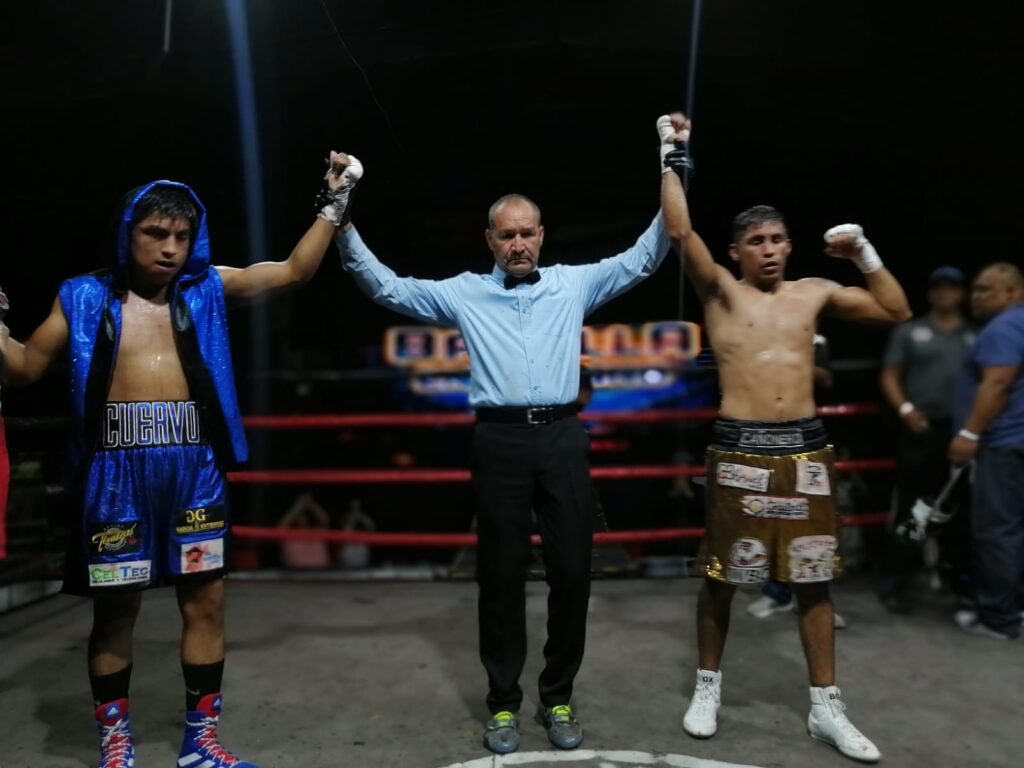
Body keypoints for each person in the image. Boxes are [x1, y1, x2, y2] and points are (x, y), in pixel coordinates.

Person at [330, 116, 679, 754]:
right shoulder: (464, 294)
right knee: (500, 577)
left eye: (527, 233)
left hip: (564, 438)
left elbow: (650, 253)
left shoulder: (575, 283)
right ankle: (502, 705)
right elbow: (382, 285)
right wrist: (340, 215)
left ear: (541, 236)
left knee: (575, 571)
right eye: (507, 235)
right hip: (499, 443)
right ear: (489, 240)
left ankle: (560, 695)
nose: (518, 244)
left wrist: (672, 161)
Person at [0, 157, 357, 768]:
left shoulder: (207, 288)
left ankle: (201, 744)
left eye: (180, 237)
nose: (169, 249)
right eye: (155, 234)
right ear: (127, 233)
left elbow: (296, 271)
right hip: (116, 476)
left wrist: (337, 198)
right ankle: (117, 744)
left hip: (195, 469)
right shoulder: (82, 297)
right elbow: (27, 367)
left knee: (206, 602)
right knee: (117, 611)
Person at [660, 114, 911, 763]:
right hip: (738, 448)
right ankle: (707, 687)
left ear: (789, 245)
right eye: (757, 240)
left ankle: (826, 706)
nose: (770, 248)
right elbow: (679, 229)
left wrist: (863, 255)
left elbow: (895, 310)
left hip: (805, 451)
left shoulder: (815, 292)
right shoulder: (719, 293)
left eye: (777, 238)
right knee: (721, 579)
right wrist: (670, 155)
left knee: (813, 582)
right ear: (737, 250)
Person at [878, 266, 974, 611]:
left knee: (959, 511)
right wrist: (905, 409)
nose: (946, 294)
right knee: (911, 509)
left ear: (962, 293)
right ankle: (895, 583)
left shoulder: (974, 334)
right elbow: (889, 375)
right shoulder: (910, 331)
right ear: (931, 293)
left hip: (963, 432)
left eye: (953, 287)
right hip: (922, 429)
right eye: (939, 288)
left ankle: (958, 579)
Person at [746, 334, 847, 629]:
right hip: (763, 435)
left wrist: (785, 364)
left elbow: (825, 378)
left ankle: (817, 599)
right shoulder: (756, 329)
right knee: (768, 517)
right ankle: (777, 593)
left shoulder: (815, 339)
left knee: (815, 525)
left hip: (808, 440)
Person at [949, 262, 1024, 640]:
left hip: (1005, 441)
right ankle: (1011, 606)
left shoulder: (1004, 326)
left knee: (997, 530)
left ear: (1012, 292)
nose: (975, 297)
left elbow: (997, 383)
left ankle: (998, 617)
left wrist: (969, 433)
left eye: (985, 289)